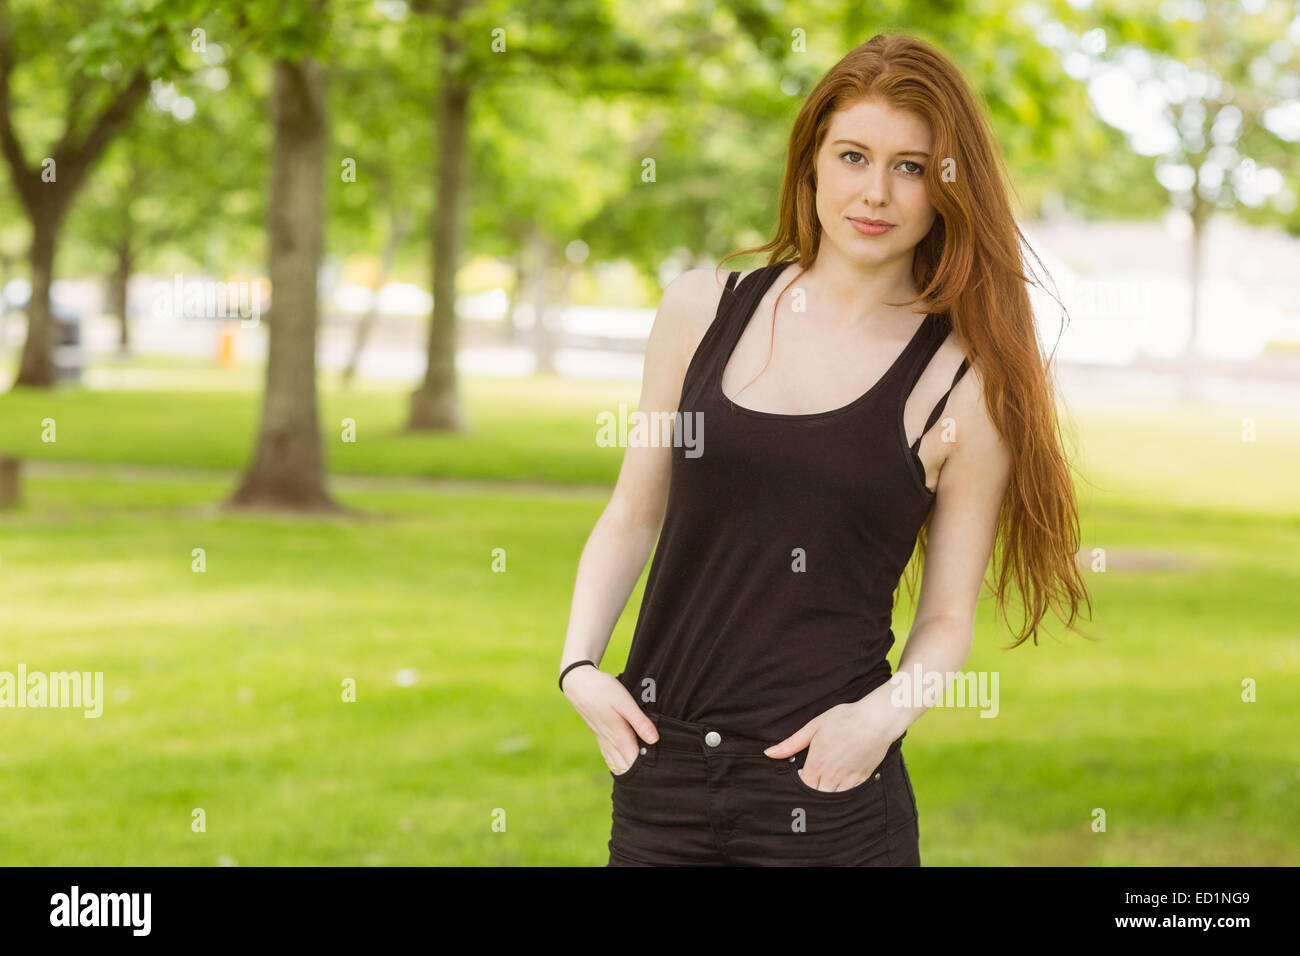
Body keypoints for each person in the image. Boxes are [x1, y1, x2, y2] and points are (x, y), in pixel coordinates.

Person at [558, 32, 1094, 866]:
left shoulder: (965, 384)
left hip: (829, 791)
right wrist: (578, 669)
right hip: (660, 780)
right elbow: (632, 513)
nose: (875, 192)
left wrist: (877, 723)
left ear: (946, 187)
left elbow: (948, 617)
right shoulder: (700, 311)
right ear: (812, 164)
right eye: (853, 156)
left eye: (911, 167)